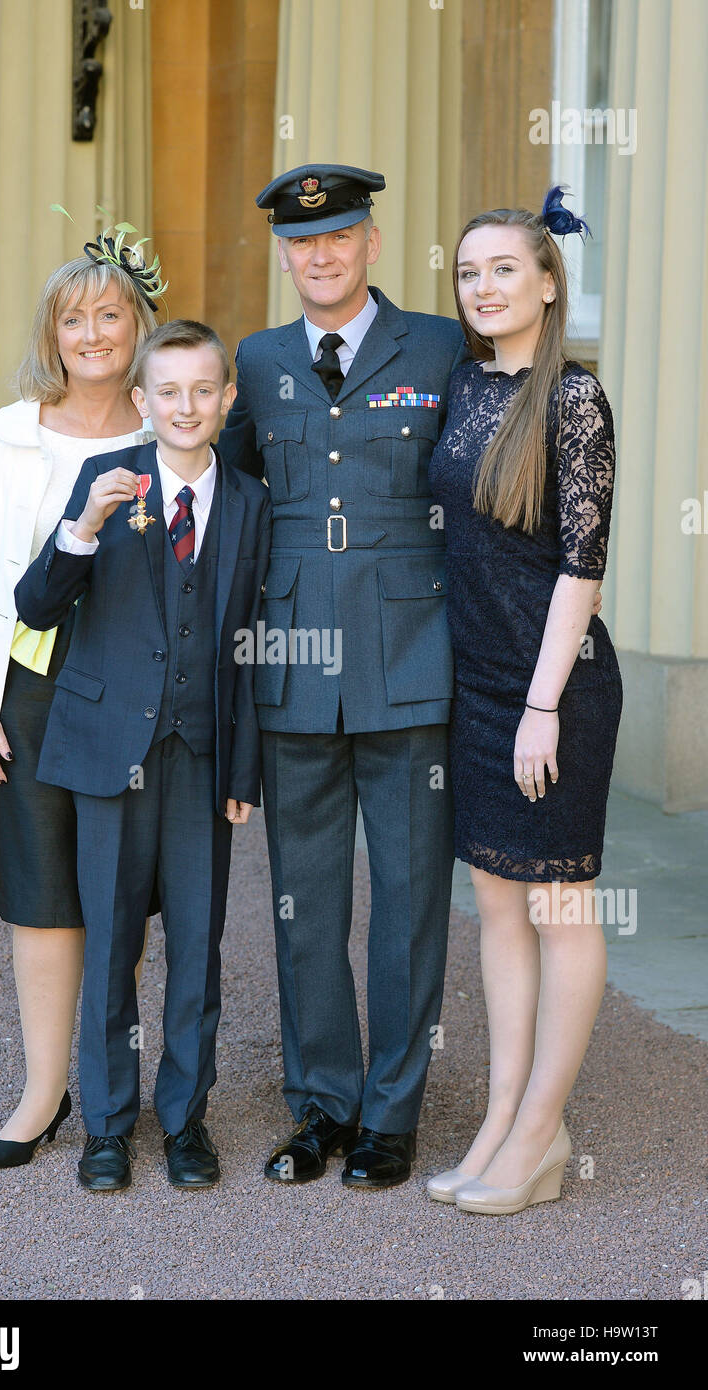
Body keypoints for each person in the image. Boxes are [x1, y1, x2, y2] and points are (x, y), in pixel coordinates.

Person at [219, 164, 465, 1188]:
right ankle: (322, 1104)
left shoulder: (442, 347)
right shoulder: (260, 359)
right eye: (302, 243)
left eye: (340, 236)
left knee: (408, 894)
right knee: (304, 899)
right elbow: (230, 495)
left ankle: (391, 1115)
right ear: (286, 256)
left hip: (410, 658)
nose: (321, 255)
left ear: (369, 243)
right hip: (293, 664)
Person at [14, 320, 272, 1191]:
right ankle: (106, 1126)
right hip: (107, 751)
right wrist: (83, 528)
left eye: (205, 390)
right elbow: (38, 608)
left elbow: (248, 640)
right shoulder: (102, 484)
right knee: (114, 943)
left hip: (201, 757)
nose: (187, 405)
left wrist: (242, 768)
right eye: (169, 391)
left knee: (198, 947)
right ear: (142, 401)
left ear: (227, 397)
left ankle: (186, 1122)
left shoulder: (248, 501)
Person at [0, 225, 160, 1167]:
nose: (94, 333)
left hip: (134, 691)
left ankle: (110, 1086)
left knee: (120, 895)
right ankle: (41, 1090)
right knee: (37, 893)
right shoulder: (5, 435)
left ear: (139, 327)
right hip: (27, 686)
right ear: (53, 334)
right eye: (75, 319)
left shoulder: (168, 430)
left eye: (111, 314)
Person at [426, 188, 622, 1214]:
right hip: (477, 682)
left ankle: (544, 1132)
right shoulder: (463, 387)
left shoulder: (573, 399)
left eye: (505, 268)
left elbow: (582, 565)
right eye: (469, 272)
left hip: (554, 686)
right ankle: (502, 1120)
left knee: (556, 903)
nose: (485, 286)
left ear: (547, 283)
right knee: (497, 902)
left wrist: (542, 703)